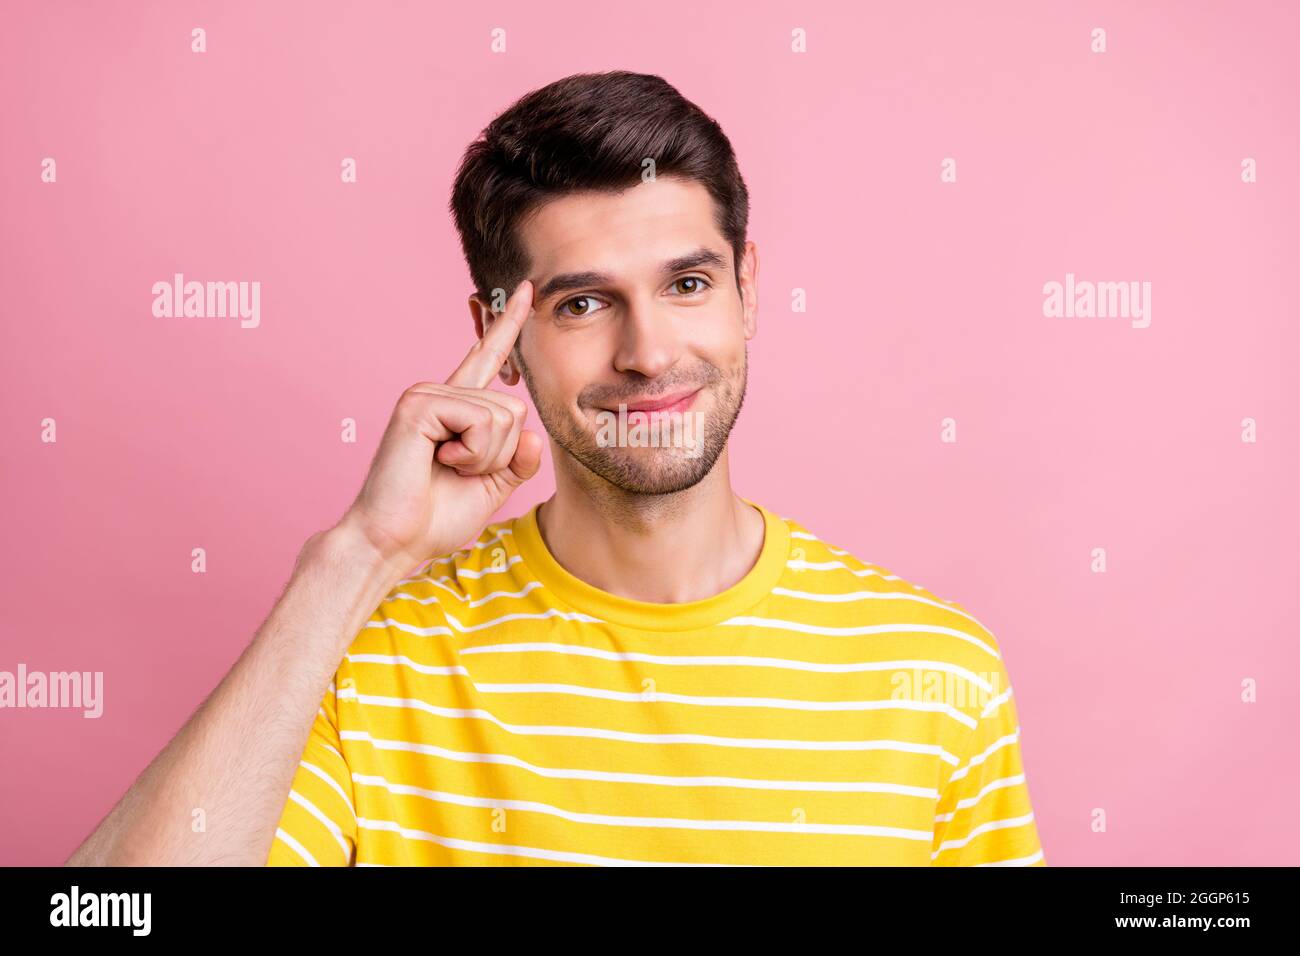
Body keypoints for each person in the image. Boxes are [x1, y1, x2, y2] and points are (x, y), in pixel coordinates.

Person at [67, 70, 1044, 867]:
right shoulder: (370, 656)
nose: (650, 351)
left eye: (688, 283)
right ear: (498, 334)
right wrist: (354, 558)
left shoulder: (936, 668)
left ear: (747, 288)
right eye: (581, 303)